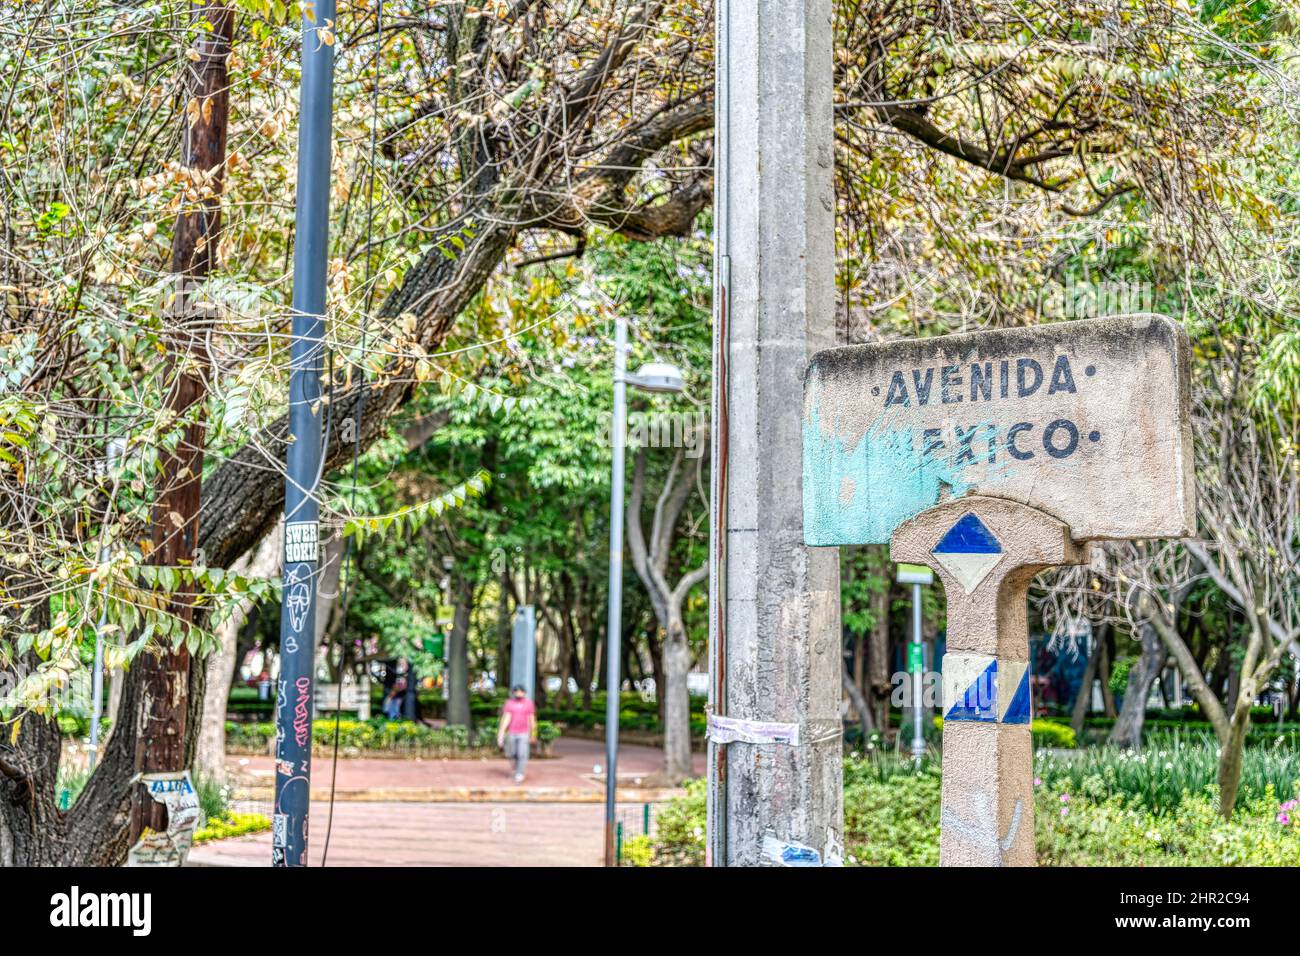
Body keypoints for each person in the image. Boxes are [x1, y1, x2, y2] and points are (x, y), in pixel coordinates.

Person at [496, 684, 537, 782]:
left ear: (524, 692)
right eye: (516, 691)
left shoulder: (529, 703)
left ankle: (520, 773)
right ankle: (516, 768)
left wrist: (534, 734)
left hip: (524, 733)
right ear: (513, 692)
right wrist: (501, 733)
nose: (519, 693)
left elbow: (532, 719)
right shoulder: (509, 703)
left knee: (522, 754)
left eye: (521, 691)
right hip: (512, 732)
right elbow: (506, 718)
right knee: (512, 753)